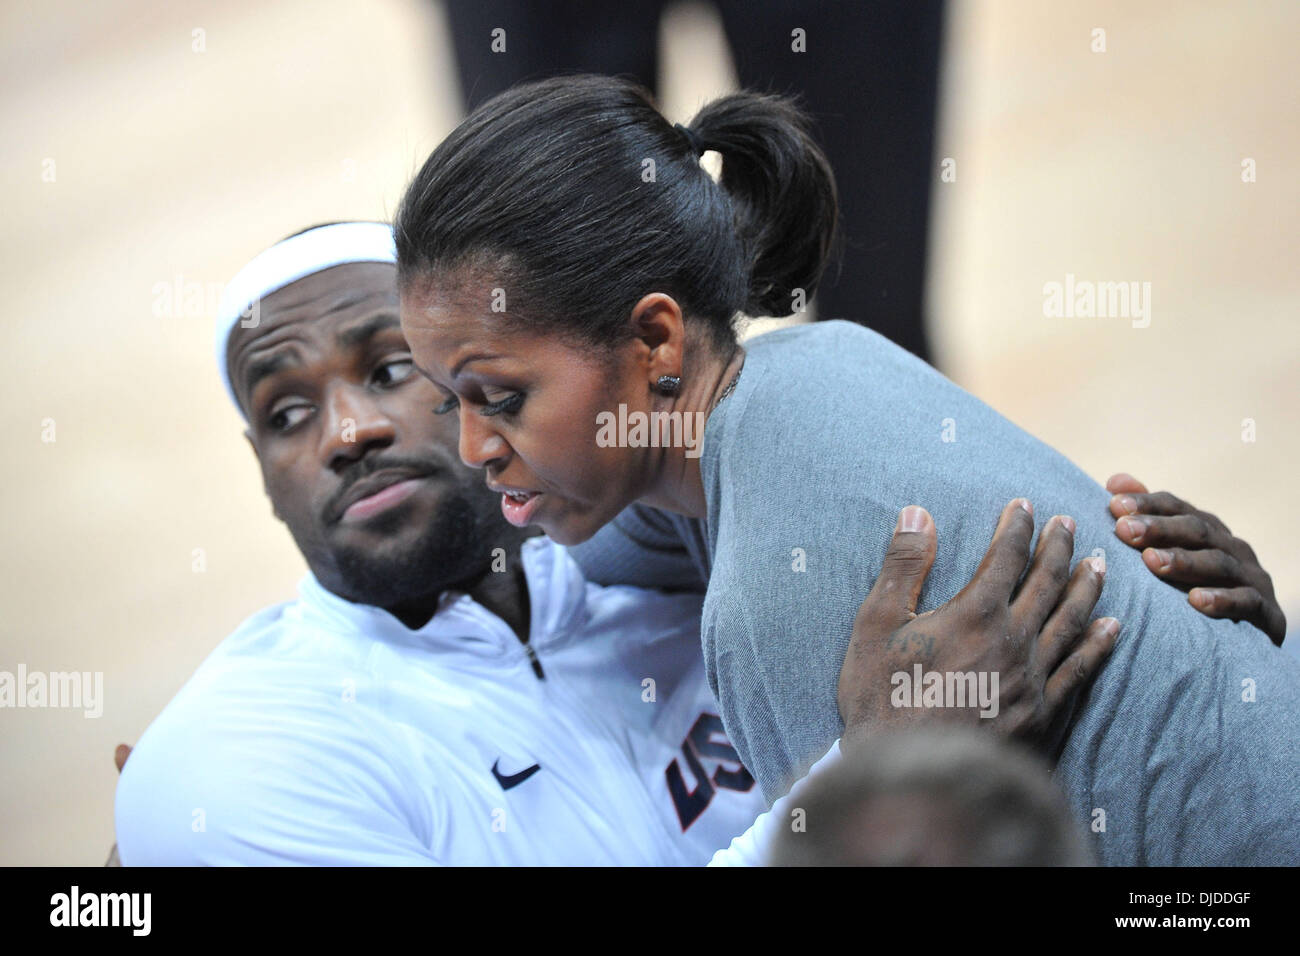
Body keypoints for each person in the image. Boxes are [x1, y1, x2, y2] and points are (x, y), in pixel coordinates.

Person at [113, 222, 1237, 866]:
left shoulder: (664, 536)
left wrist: (1182, 625)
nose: (349, 430)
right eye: (285, 411)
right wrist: (872, 778)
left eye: (391, 368)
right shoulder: (246, 756)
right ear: (260, 474)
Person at [392, 75, 1299, 864]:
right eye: (447, 400)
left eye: (500, 398)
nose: (473, 449)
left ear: (655, 340)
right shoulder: (830, 357)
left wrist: (855, 790)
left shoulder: (772, 600)